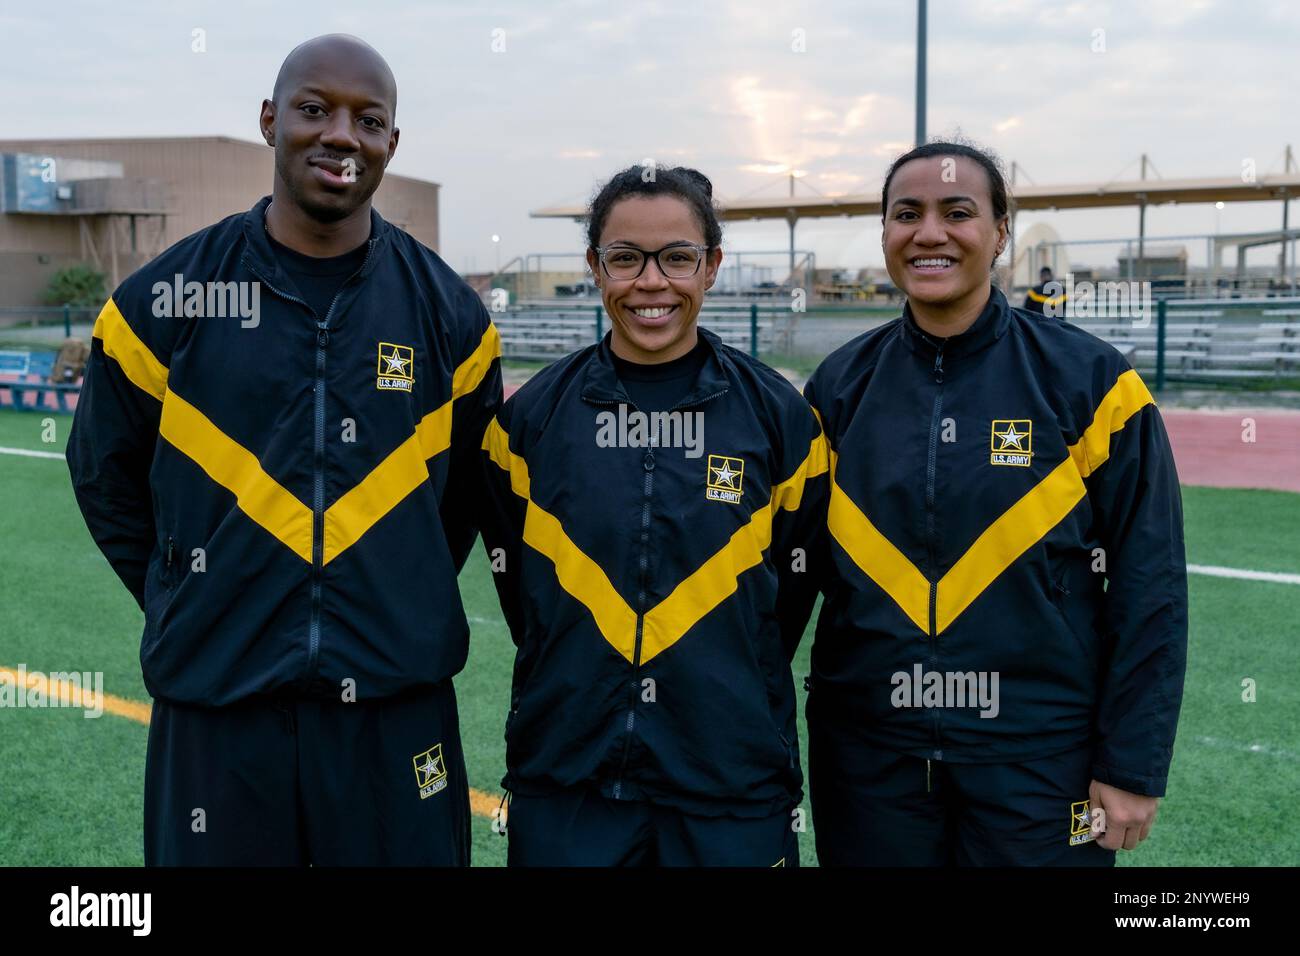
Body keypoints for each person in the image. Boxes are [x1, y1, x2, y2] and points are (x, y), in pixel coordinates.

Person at [65, 34, 501, 865]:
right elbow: (105, 481)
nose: (342, 134)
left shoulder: (452, 318)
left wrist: (387, 591)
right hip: (219, 705)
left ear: (391, 146)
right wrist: (187, 594)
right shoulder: (164, 301)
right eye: (314, 109)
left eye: (368, 119)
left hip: (393, 709)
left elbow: (462, 506)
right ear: (270, 121)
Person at [803, 140, 1187, 866]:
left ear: (1001, 230)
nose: (929, 233)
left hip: (1044, 756)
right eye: (905, 214)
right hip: (868, 759)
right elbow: (783, 587)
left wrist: (1132, 766)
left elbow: (1152, 584)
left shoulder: (1095, 382)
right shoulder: (837, 388)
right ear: (885, 231)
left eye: (958, 212)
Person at [478, 164, 828, 866]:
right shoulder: (531, 420)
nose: (651, 282)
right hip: (566, 777)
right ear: (595, 266)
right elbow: (522, 591)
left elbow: (786, 596)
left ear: (711, 267)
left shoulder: (780, 418)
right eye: (625, 258)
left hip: (729, 780)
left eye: (676, 258)